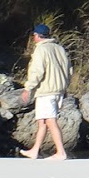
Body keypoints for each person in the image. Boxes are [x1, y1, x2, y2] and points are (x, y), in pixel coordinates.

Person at [18, 23, 72, 160]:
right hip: (59, 90)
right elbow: (69, 70)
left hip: (46, 90)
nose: (33, 38)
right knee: (42, 120)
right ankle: (35, 150)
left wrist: (28, 88)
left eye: (34, 35)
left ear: (37, 36)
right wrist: (65, 86)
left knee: (50, 120)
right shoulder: (59, 48)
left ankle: (61, 152)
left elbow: (37, 71)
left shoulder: (41, 50)